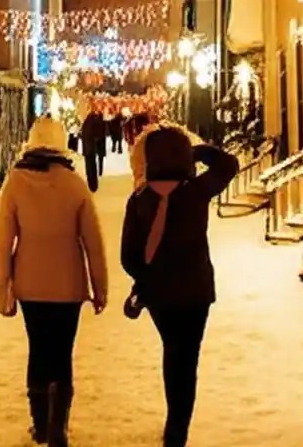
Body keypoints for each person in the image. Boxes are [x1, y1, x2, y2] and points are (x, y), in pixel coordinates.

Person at [0, 117, 109, 446]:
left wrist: (2, 290)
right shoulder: (75, 185)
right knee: (62, 353)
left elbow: (2, 243)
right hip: (69, 287)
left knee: (38, 350)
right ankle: (59, 424)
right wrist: (100, 289)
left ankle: (40, 423)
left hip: (30, 285)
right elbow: (94, 244)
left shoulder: (14, 183)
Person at [120, 127, 239, 447]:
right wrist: (199, 152)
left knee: (174, 352)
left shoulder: (141, 199)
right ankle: (178, 429)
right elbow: (229, 165)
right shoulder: (196, 191)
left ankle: (175, 426)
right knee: (188, 358)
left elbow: (128, 257)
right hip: (196, 291)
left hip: (160, 295)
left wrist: (146, 279)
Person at [80, 108, 106, 192]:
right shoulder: (89, 120)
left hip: (89, 147)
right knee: (90, 166)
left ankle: (92, 185)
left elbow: (96, 133)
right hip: (89, 147)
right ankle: (92, 184)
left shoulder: (91, 119)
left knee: (90, 167)